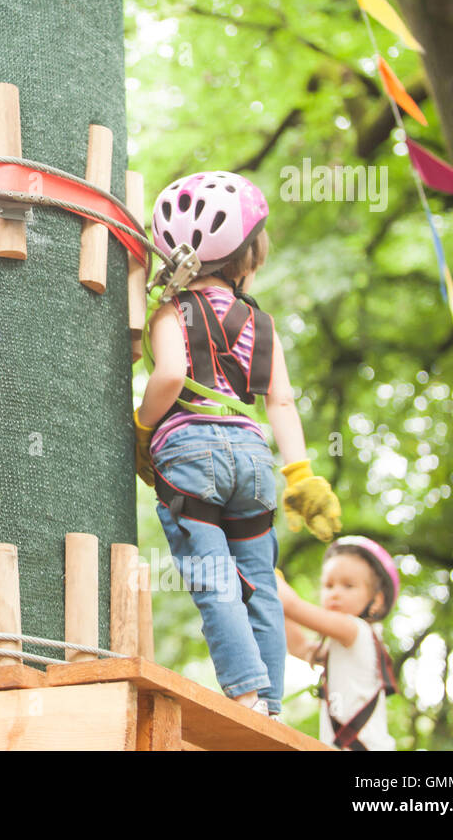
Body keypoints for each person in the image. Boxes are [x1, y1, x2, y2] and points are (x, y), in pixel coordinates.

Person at [134, 171, 341, 715]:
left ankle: (244, 692)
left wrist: (142, 424)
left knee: (213, 576)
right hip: (253, 458)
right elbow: (282, 402)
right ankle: (270, 702)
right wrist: (301, 475)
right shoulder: (262, 324)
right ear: (249, 258)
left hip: (189, 453)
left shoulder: (170, 311)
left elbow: (171, 377)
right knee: (261, 586)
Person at [277, 537, 399, 750]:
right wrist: (278, 606)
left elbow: (293, 606)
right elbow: (300, 648)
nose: (335, 593)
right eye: (328, 585)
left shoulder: (355, 630)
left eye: (348, 586)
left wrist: (263, 569)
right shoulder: (345, 645)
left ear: (377, 600)